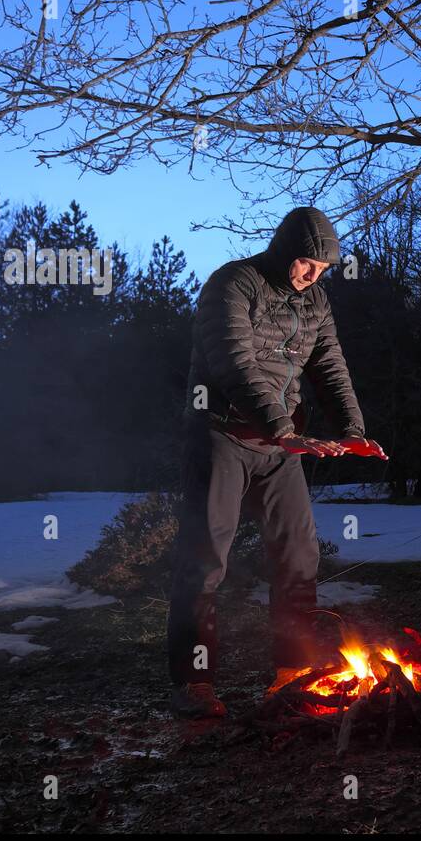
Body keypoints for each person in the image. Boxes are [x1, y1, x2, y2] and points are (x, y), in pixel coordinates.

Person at [167, 206, 386, 719]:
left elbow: (329, 364)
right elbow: (234, 363)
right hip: (220, 434)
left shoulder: (316, 301)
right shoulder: (232, 284)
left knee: (298, 556)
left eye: (323, 269)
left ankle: (294, 671)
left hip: (281, 446)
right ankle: (192, 683)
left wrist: (352, 431)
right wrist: (283, 428)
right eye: (307, 263)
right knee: (205, 560)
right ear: (285, 251)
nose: (313, 275)